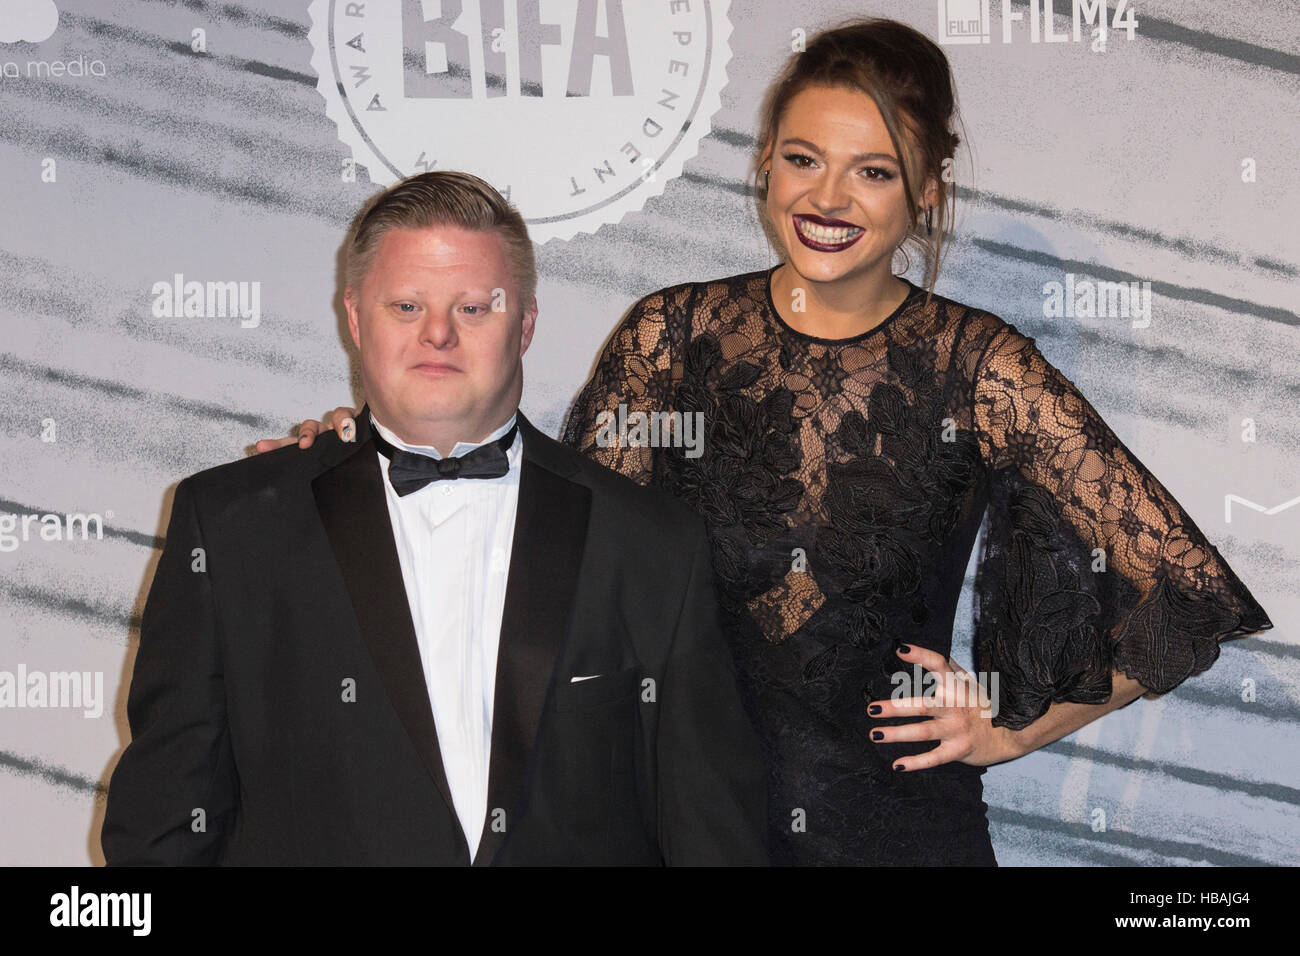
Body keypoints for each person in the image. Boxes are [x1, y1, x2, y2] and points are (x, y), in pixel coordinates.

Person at [262, 19, 1272, 865]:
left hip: (889, 832)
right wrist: (372, 459)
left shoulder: (981, 367)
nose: (826, 199)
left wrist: (1009, 727)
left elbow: (1185, 591)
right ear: (765, 162)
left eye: (871, 171)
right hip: (665, 827)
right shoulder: (675, 336)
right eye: (802, 158)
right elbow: (538, 548)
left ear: (925, 188)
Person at [103, 170, 767, 866]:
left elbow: (712, 839)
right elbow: (160, 835)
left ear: (527, 324)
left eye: (475, 308)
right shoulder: (233, 527)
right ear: (356, 318)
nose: (439, 335)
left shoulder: (651, 543)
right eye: (407, 306)